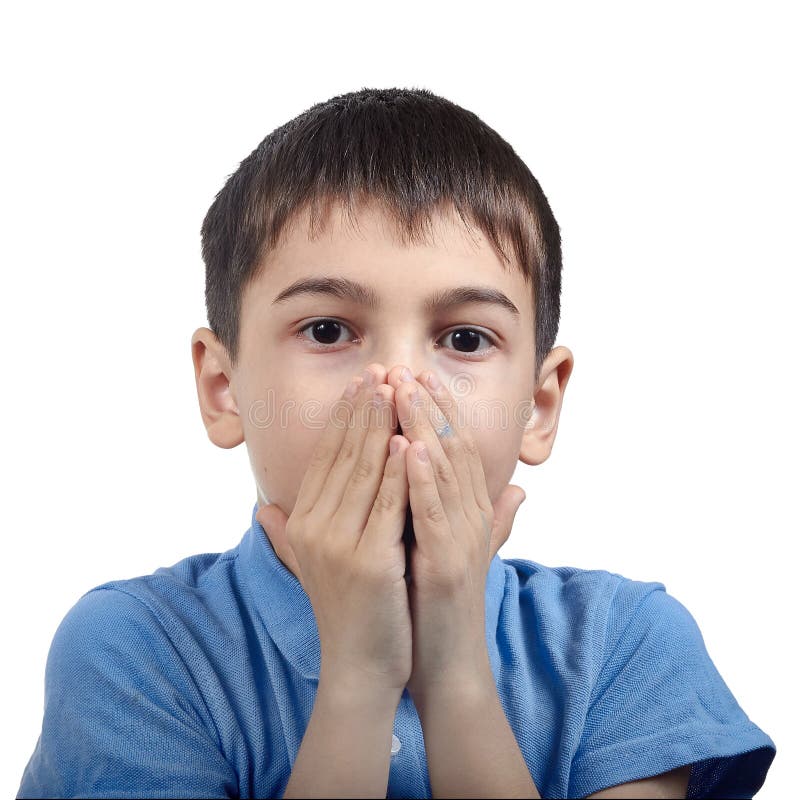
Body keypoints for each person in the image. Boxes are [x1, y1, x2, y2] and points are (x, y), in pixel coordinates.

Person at [18, 87, 776, 799]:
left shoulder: (624, 644)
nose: (399, 383)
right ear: (224, 389)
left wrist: (455, 673)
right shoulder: (136, 650)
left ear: (540, 405)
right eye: (327, 330)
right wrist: (358, 677)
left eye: (466, 338)